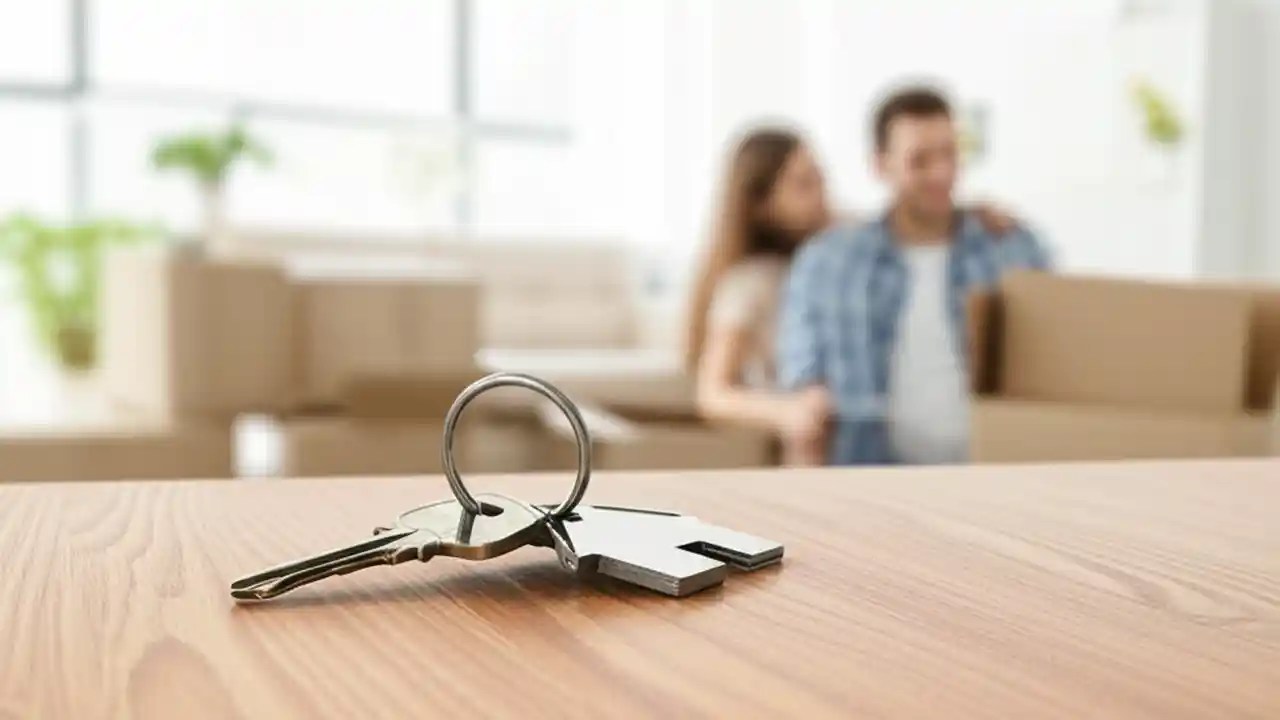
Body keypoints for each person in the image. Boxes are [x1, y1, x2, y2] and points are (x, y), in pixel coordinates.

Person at [686, 125, 1019, 465]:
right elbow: (712, 395)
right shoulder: (750, 284)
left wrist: (966, 215)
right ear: (763, 205)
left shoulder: (848, 243)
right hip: (809, 438)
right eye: (803, 185)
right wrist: (787, 412)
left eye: (820, 178)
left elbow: (905, 221)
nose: (822, 195)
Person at [776, 87, 1051, 465]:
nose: (941, 173)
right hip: (871, 477)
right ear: (880, 165)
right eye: (920, 161)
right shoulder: (828, 262)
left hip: (991, 474)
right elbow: (803, 383)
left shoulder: (1013, 248)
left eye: (950, 154)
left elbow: (1052, 365)